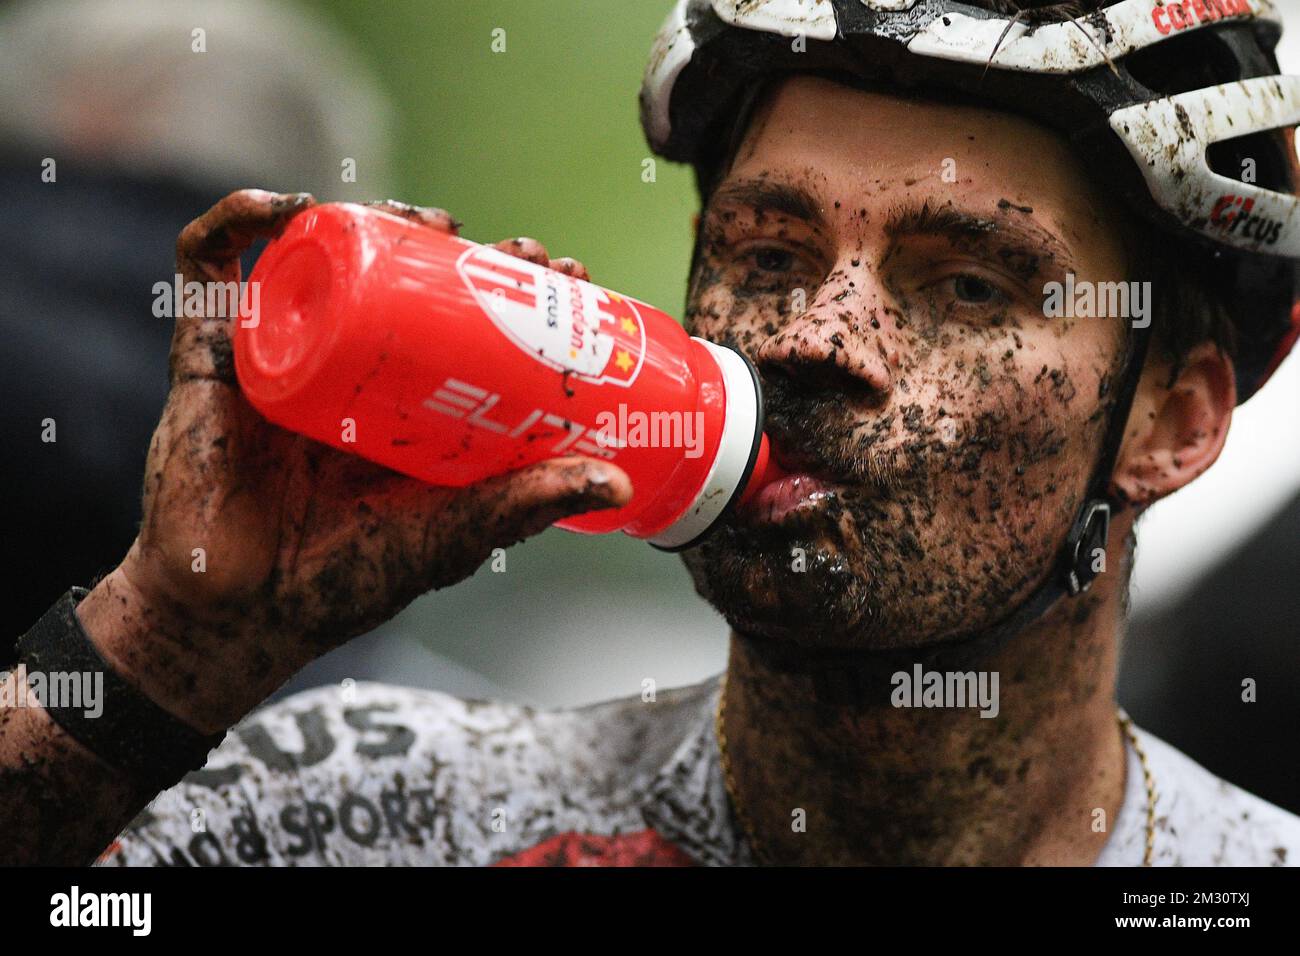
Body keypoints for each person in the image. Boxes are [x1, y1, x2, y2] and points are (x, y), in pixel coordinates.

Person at [4, 0, 1300, 867]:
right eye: (773, 253)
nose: (813, 337)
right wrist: (162, 643)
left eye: (966, 284)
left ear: (1171, 421)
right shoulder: (371, 810)